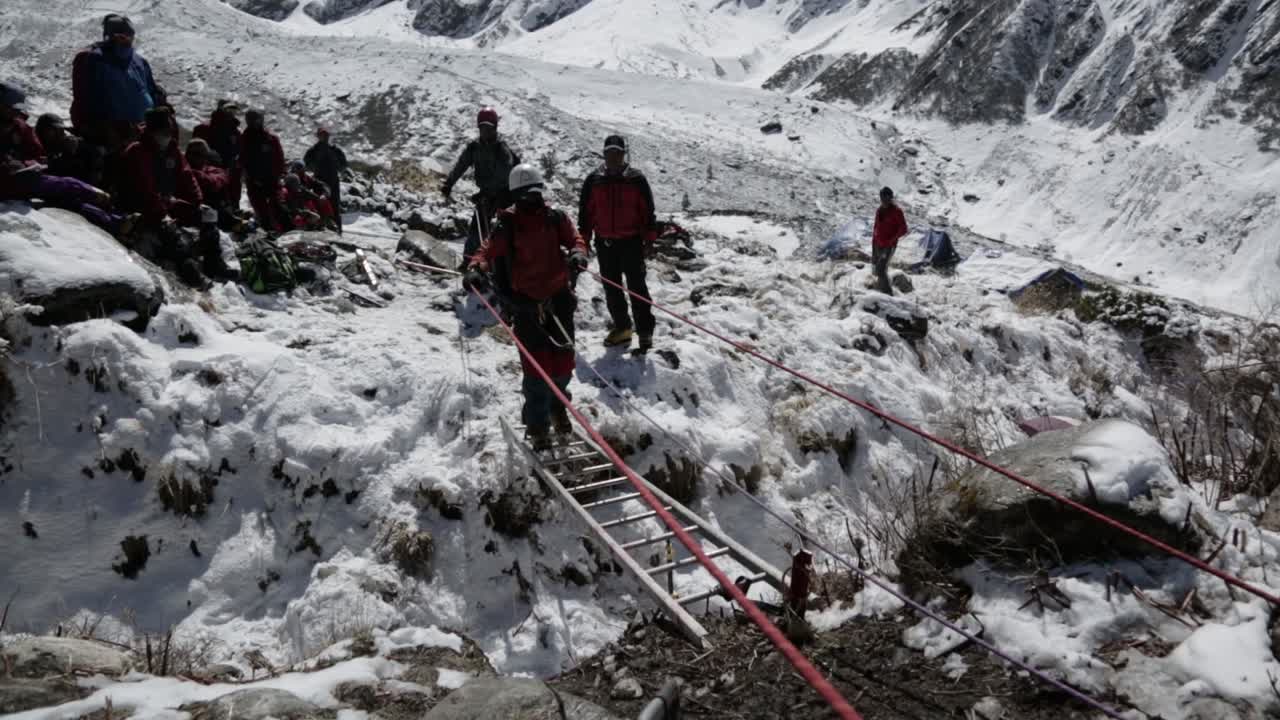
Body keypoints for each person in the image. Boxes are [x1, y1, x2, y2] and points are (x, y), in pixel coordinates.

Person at [464, 164, 588, 450]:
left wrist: (578, 253)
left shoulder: (555, 218)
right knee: (536, 368)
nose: (533, 199)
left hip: (558, 299)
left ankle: (558, 406)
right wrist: (475, 268)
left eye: (535, 194)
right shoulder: (507, 224)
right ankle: (537, 425)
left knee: (563, 362)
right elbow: (486, 251)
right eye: (526, 195)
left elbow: (575, 239)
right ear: (517, 196)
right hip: (525, 305)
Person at [0, 82, 135, 237]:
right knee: (68, 185)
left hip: (24, 177)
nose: (15, 111)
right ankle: (97, 197)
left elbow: (37, 153)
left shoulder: (19, 126)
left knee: (69, 201)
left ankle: (116, 222)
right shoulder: (16, 127)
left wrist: (28, 163)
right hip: (9, 182)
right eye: (11, 107)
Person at [578, 134, 658, 350]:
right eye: (609, 152)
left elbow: (647, 211)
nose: (613, 156)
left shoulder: (636, 179)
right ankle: (622, 328)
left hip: (631, 242)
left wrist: (649, 240)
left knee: (637, 287)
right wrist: (583, 241)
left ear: (623, 154)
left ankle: (645, 331)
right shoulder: (593, 180)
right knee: (612, 288)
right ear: (604, 154)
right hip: (605, 244)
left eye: (617, 153)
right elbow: (585, 214)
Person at [70, 14, 165, 156]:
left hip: (142, 131)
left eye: (129, 35)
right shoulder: (91, 58)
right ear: (110, 36)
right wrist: (96, 128)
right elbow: (84, 98)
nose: (126, 39)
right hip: (110, 134)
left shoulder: (139, 61)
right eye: (121, 35)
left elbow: (150, 90)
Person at [443, 107, 521, 263]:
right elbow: (461, 165)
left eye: (489, 128)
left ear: (495, 128)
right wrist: (449, 183)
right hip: (487, 193)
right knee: (476, 228)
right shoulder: (474, 147)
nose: (485, 131)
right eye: (482, 127)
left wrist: (486, 193)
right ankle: (470, 262)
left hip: (506, 193)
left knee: (504, 229)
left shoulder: (502, 149)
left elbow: (504, 176)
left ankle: (505, 264)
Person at [238, 110, 286, 233]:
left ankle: (287, 230)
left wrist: (277, 175)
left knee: (278, 206)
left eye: (256, 119)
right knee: (261, 209)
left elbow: (279, 159)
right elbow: (242, 160)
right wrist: (250, 177)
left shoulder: (271, 139)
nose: (253, 122)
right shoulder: (244, 138)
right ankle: (269, 233)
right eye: (250, 119)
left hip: (271, 179)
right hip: (253, 181)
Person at [192, 100, 243, 207]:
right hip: (210, 172)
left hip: (230, 171)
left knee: (232, 200)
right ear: (220, 110)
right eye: (228, 110)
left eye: (233, 110)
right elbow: (194, 152)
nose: (231, 113)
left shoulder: (236, 132)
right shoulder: (204, 128)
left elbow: (239, 152)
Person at [186, 139, 244, 230]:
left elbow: (213, 183)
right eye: (193, 154)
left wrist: (193, 174)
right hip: (191, 211)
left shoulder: (214, 170)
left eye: (201, 154)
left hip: (215, 212)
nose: (196, 157)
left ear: (206, 156)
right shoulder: (182, 170)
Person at [35, 113, 105, 188]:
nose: (59, 134)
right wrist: (68, 155)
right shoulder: (36, 147)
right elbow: (56, 173)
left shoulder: (65, 146)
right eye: (53, 130)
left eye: (60, 130)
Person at [303, 128, 347, 234]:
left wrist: (336, 165)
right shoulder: (313, 150)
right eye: (322, 135)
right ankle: (321, 230)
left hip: (333, 182)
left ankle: (337, 231)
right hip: (319, 182)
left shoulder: (335, 150)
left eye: (326, 135)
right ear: (318, 136)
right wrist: (316, 167)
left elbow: (344, 165)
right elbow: (306, 163)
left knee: (334, 206)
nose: (324, 137)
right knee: (320, 205)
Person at [871, 186, 908, 295]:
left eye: (886, 198)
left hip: (888, 246)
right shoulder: (879, 210)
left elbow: (903, 229)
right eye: (882, 198)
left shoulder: (897, 211)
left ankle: (888, 295)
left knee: (881, 269)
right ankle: (881, 290)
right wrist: (873, 243)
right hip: (877, 244)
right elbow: (876, 228)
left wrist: (892, 240)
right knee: (877, 269)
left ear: (890, 198)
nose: (884, 200)